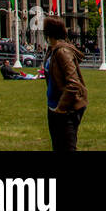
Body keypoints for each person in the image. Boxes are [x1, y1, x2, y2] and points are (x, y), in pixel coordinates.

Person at [43, 16, 88, 153]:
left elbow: (73, 83)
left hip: (66, 110)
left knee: (67, 147)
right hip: (54, 107)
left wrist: (61, 108)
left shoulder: (62, 51)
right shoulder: (52, 50)